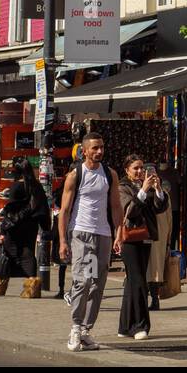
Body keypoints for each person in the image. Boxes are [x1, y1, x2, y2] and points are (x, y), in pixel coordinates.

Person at [58, 133, 125, 352]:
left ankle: (86, 331)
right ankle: (76, 327)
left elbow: (116, 206)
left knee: (97, 283)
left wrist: (119, 232)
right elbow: (64, 211)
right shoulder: (75, 175)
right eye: (95, 148)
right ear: (84, 151)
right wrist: (63, 241)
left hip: (103, 234)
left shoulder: (110, 174)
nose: (99, 151)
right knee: (83, 280)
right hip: (82, 233)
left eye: (102, 147)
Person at [116, 156, 169, 340]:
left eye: (141, 168)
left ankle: (124, 327)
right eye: (135, 168)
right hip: (130, 239)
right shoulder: (122, 187)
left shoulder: (145, 185)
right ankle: (140, 325)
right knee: (138, 281)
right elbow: (129, 211)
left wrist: (158, 189)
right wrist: (144, 190)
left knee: (133, 282)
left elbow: (159, 208)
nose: (140, 172)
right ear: (127, 170)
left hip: (145, 237)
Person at [0, 157, 50, 299]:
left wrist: (3, 230)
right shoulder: (36, 187)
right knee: (28, 253)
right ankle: (32, 287)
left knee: (8, 254)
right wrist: (45, 227)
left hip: (14, 226)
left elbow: (10, 210)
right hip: (30, 227)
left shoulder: (16, 187)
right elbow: (42, 208)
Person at [146, 160, 175, 310]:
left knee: (156, 268)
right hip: (144, 234)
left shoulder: (163, 194)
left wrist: (169, 239)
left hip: (159, 236)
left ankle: (155, 299)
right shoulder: (139, 193)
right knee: (148, 268)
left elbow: (169, 217)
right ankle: (147, 299)